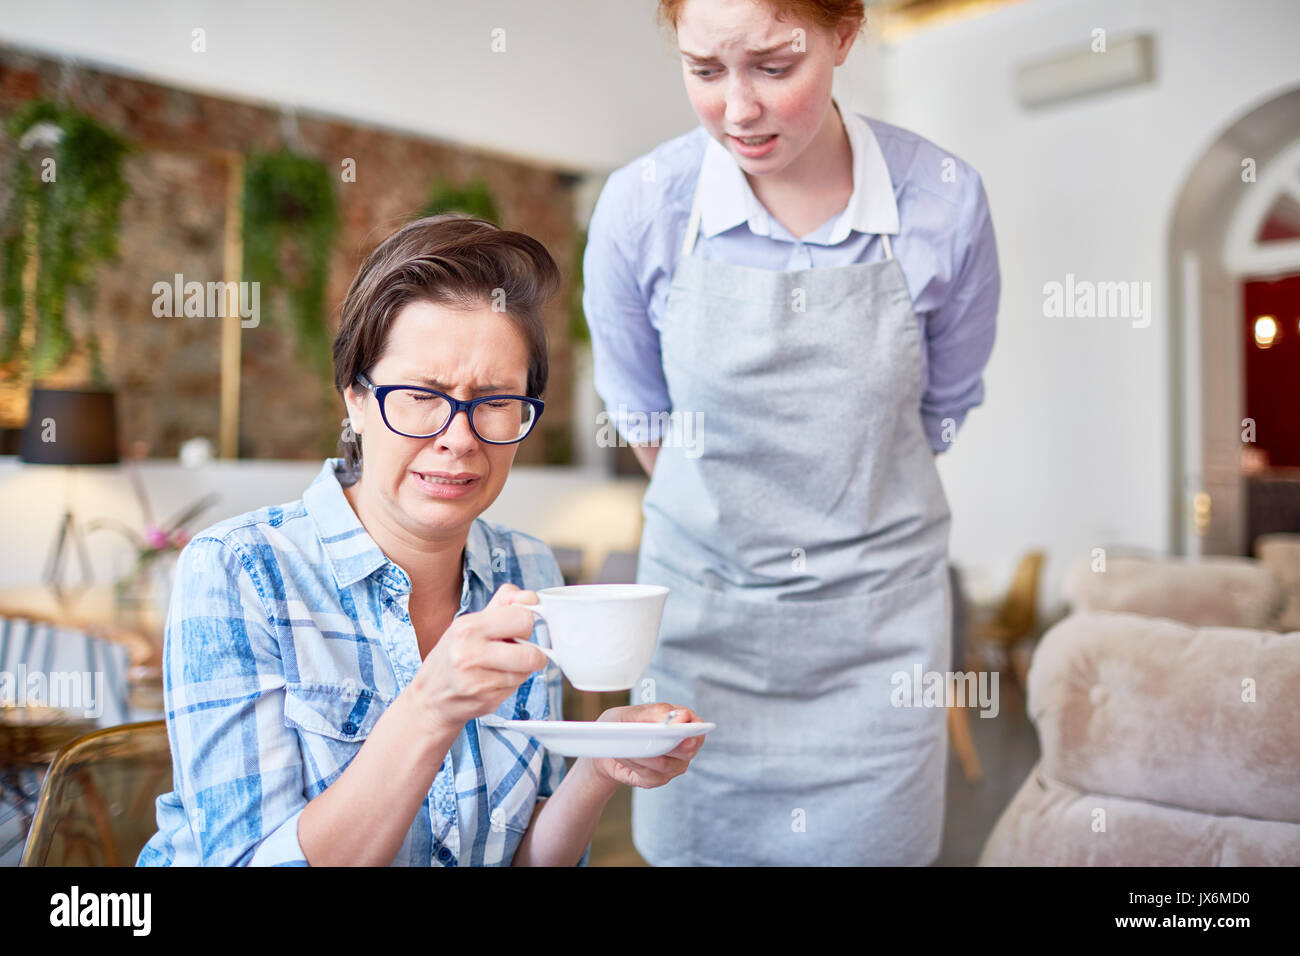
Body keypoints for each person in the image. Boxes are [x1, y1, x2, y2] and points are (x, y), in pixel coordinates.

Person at [138, 215, 704, 867]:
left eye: (495, 400)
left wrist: (600, 768)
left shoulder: (527, 569)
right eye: (420, 395)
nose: (458, 437)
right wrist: (431, 707)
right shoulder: (240, 571)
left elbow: (519, 858)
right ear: (354, 397)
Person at [581, 0, 999, 865]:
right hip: (705, 629)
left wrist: (847, 494)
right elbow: (648, 423)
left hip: (878, 643)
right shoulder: (641, 210)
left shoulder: (944, 203)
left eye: (775, 66)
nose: (738, 108)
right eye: (704, 70)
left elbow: (943, 405)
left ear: (847, 34)